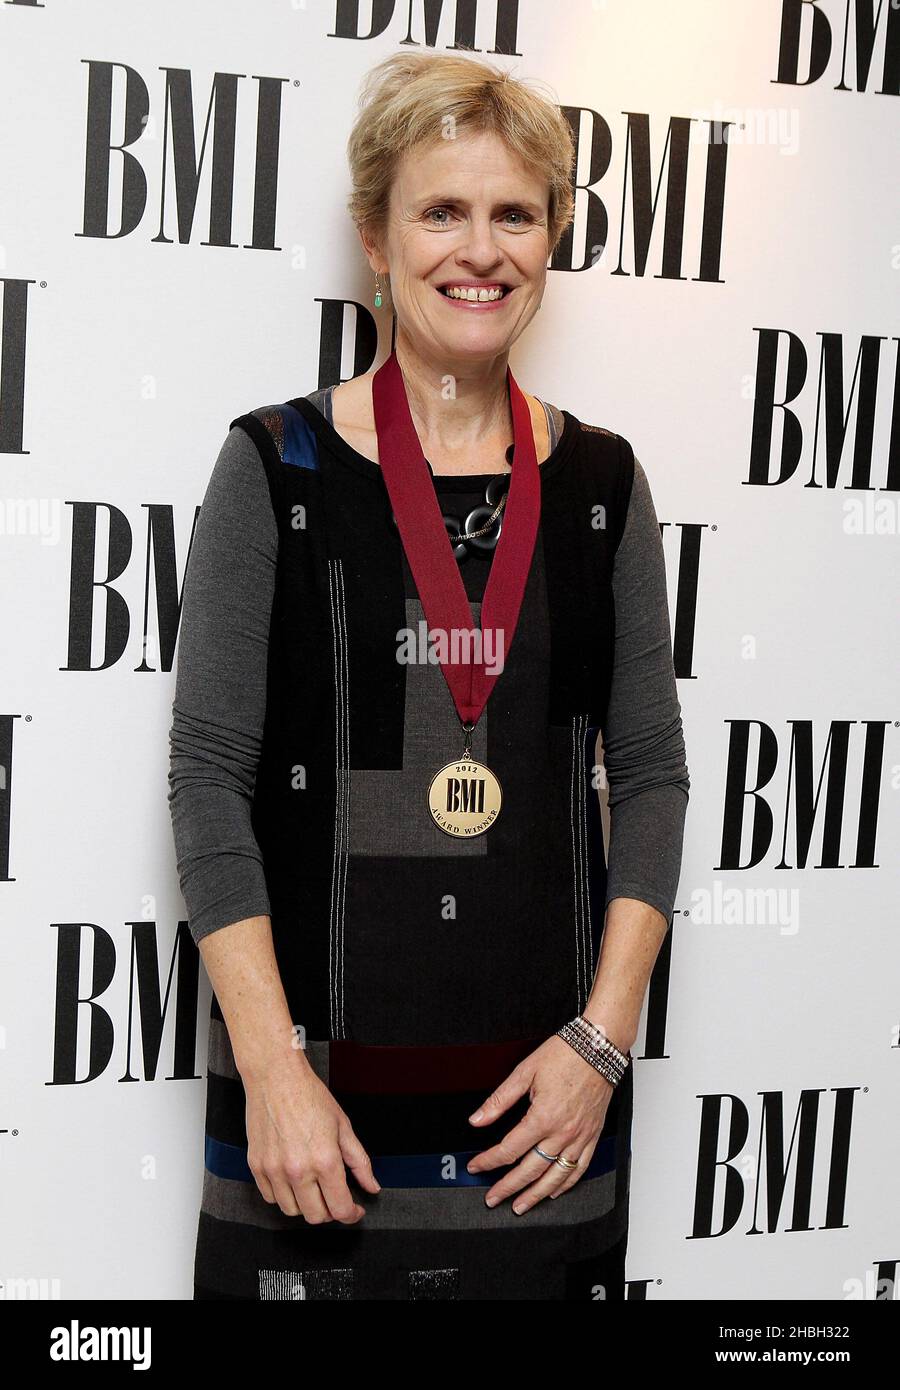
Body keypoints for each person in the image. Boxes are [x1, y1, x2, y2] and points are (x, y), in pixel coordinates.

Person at [167, 48, 690, 1301]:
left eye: (516, 213)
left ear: (553, 238)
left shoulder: (605, 487)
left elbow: (655, 780)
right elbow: (208, 778)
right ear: (375, 237)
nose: (481, 248)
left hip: (544, 1115)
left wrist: (601, 1046)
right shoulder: (276, 469)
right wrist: (276, 1073)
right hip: (314, 1121)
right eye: (441, 209)